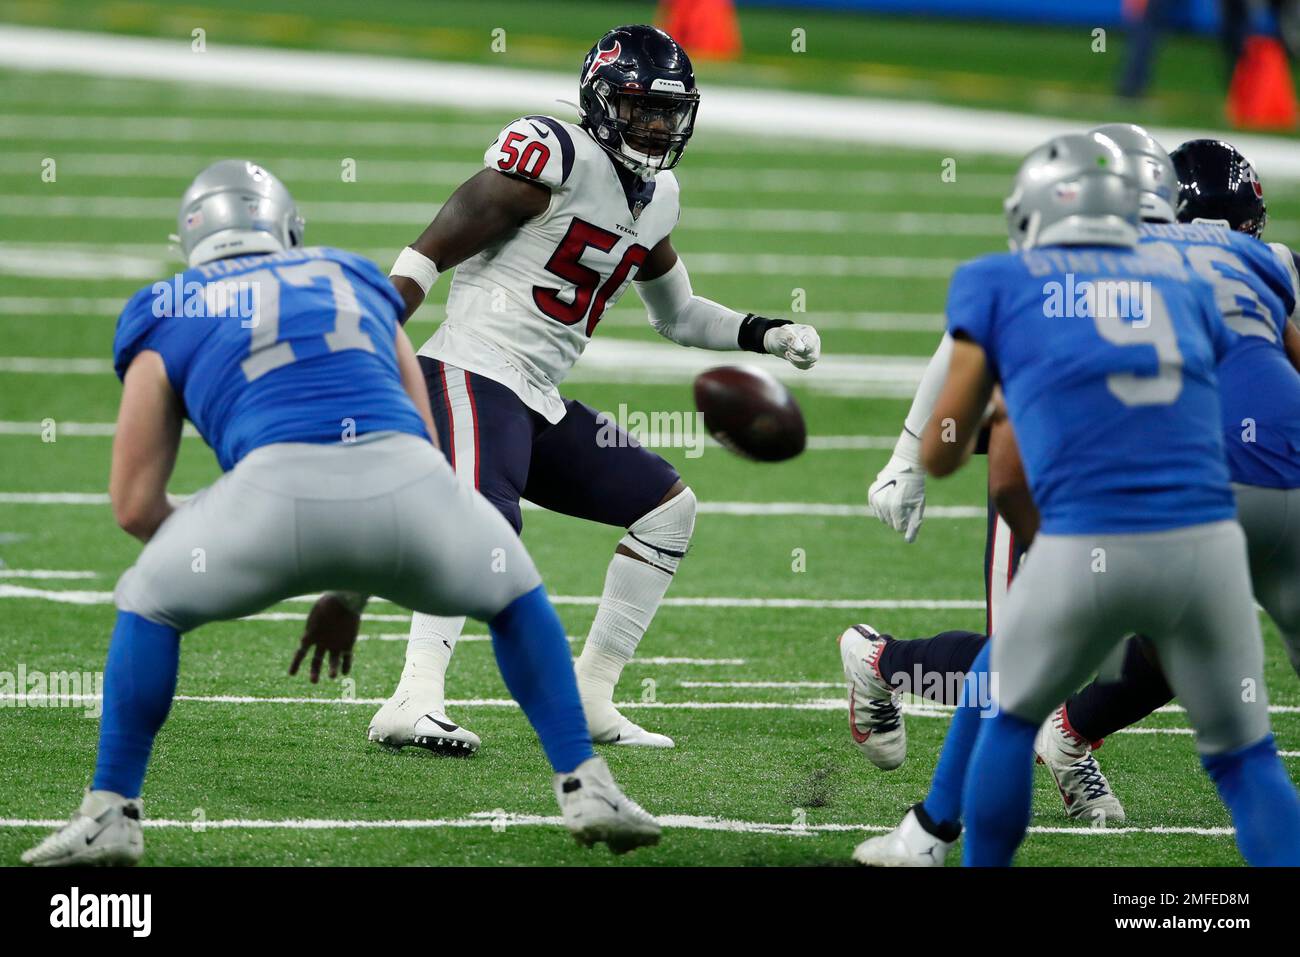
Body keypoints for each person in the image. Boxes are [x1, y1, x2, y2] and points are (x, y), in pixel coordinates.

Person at [21, 161, 659, 866]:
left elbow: (134, 506)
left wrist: (231, 536)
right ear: (287, 229)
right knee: (513, 591)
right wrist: (348, 580)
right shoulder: (351, 275)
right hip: (410, 484)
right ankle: (586, 784)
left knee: (148, 600)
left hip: (267, 494)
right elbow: (420, 439)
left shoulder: (168, 303)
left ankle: (111, 812)